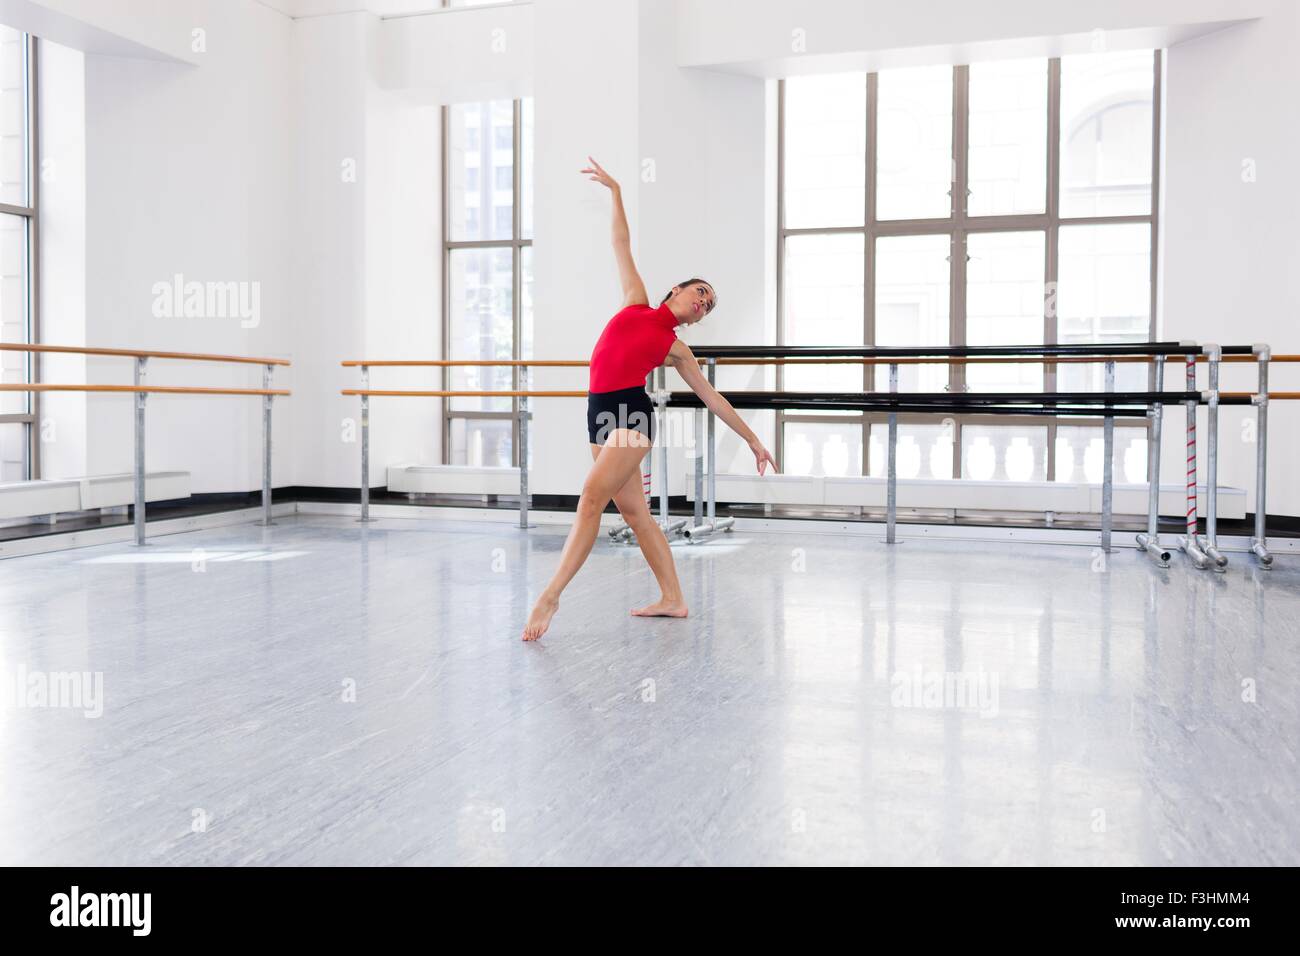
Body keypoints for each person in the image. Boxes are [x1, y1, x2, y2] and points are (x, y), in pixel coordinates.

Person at [522, 157, 777, 642]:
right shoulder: (636, 301)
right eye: (699, 293)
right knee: (636, 515)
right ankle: (673, 599)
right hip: (597, 412)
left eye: (707, 306)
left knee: (591, 498)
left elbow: (712, 398)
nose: (702, 303)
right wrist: (616, 190)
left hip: (629, 414)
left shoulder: (677, 348)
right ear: (676, 290)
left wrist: (753, 440)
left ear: (696, 320)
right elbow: (621, 243)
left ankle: (551, 594)